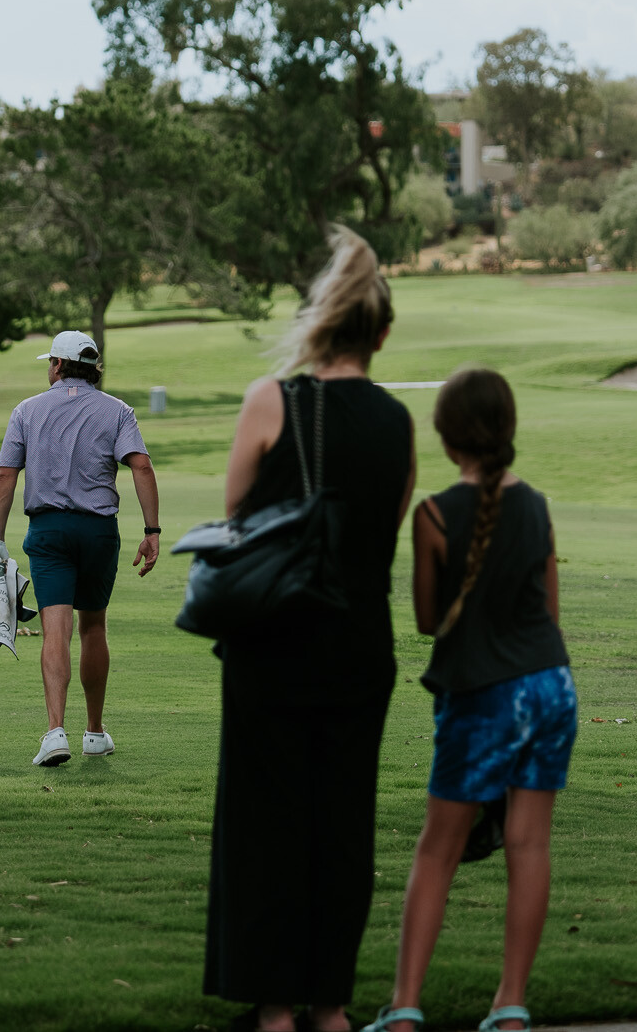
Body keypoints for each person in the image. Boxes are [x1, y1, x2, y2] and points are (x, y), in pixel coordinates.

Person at [205, 227, 416, 1032]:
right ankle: (331, 1005)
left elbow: (235, 520)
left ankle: (274, 1009)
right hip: (360, 647)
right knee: (342, 825)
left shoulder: (272, 400)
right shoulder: (398, 423)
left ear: (322, 325)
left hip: (273, 647)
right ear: (381, 335)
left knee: (267, 823)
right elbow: (383, 533)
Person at [362, 367, 573, 1032]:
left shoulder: (433, 514)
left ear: (447, 437)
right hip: (551, 688)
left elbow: (429, 620)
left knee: (438, 850)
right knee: (528, 844)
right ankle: (510, 1006)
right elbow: (550, 614)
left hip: (482, 695)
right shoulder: (537, 505)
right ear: (507, 429)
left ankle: (404, 1009)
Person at [0, 330, 161, 768]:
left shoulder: (27, 410)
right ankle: (95, 733)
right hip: (99, 531)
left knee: (56, 631)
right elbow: (141, 465)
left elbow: (6, 475)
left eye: (50, 362)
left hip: (49, 532)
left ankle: (54, 733)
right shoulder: (117, 410)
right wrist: (152, 530)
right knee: (93, 628)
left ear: (59, 365)